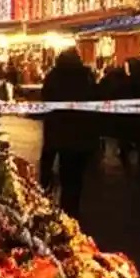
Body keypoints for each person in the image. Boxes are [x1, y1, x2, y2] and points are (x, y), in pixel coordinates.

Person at [41, 48, 98, 218]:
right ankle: (71, 208)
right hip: (81, 134)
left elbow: (46, 98)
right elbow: (94, 100)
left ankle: (59, 208)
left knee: (65, 174)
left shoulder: (54, 76)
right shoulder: (86, 77)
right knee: (76, 177)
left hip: (60, 131)